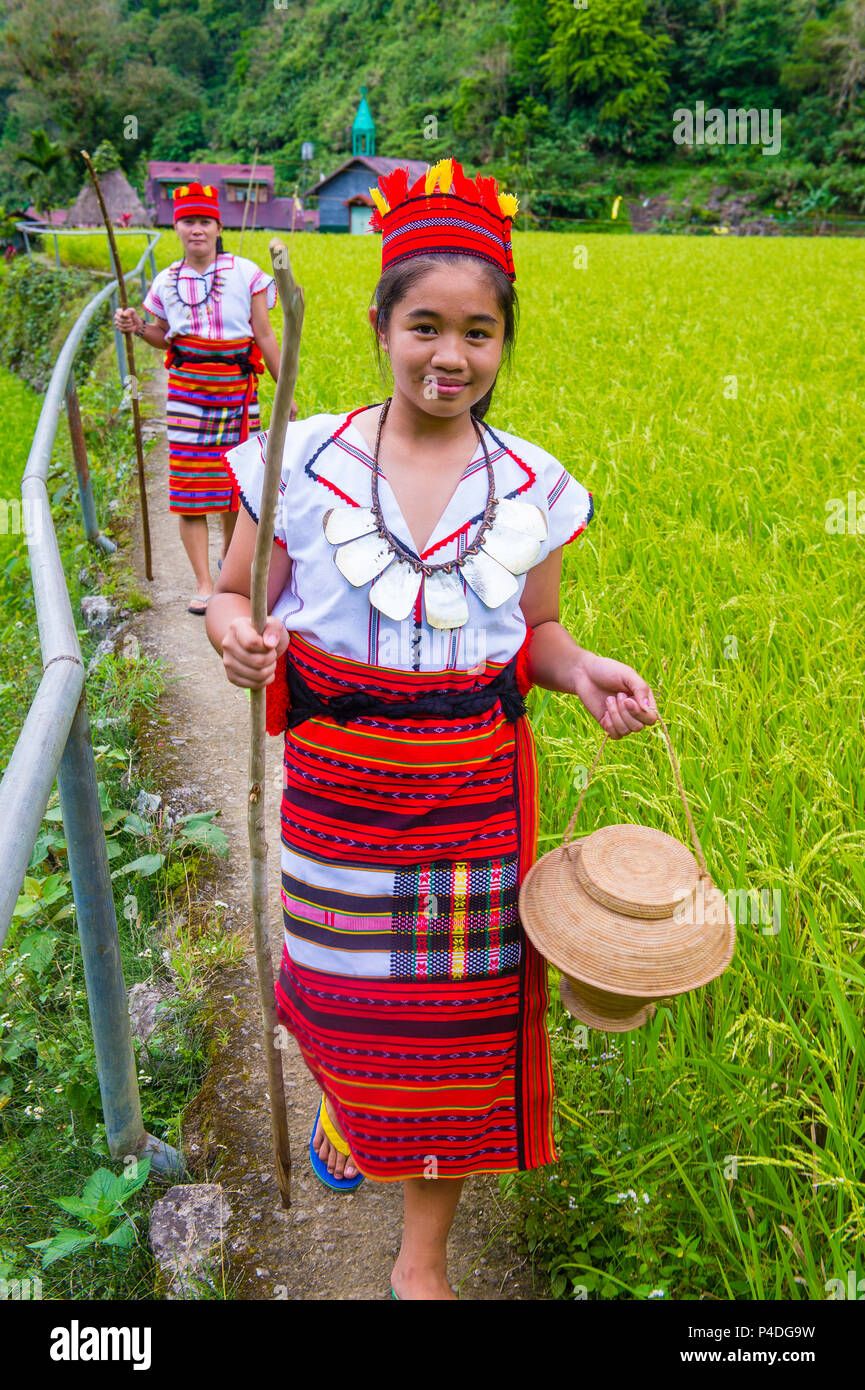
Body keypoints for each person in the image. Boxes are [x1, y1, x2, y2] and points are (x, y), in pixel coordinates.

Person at [205, 157, 659, 1300]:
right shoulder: (297, 461)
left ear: (505, 342)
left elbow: (537, 634)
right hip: (337, 792)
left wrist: (583, 671)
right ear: (377, 323)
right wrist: (233, 632)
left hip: (472, 799)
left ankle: (421, 1262)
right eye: (424, 326)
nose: (449, 357)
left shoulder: (534, 484)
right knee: (347, 997)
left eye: (478, 333)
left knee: (453, 1031)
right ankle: (349, 1109)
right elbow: (227, 590)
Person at [113, 180, 295, 614]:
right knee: (192, 489)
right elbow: (162, 337)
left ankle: (229, 568)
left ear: (217, 226)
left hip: (236, 391)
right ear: (176, 228)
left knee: (236, 486)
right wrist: (138, 327)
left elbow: (265, 334)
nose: (197, 229)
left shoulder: (247, 273)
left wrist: (284, 389)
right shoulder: (165, 280)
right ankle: (204, 582)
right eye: (188, 221)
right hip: (186, 395)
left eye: (205, 221)